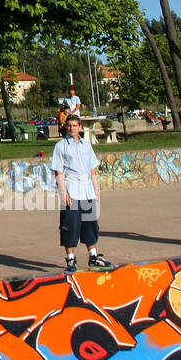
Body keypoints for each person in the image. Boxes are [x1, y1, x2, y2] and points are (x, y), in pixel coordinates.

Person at [52, 116, 111, 271]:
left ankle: (93, 255)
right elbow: (58, 171)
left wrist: (96, 188)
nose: (72, 128)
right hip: (71, 190)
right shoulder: (60, 146)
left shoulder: (86, 145)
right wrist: (63, 193)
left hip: (87, 190)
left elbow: (92, 168)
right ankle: (71, 258)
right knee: (69, 226)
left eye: (75, 126)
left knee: (90, 225)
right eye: (69, 126)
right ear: (65, 127)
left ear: (80, 127)